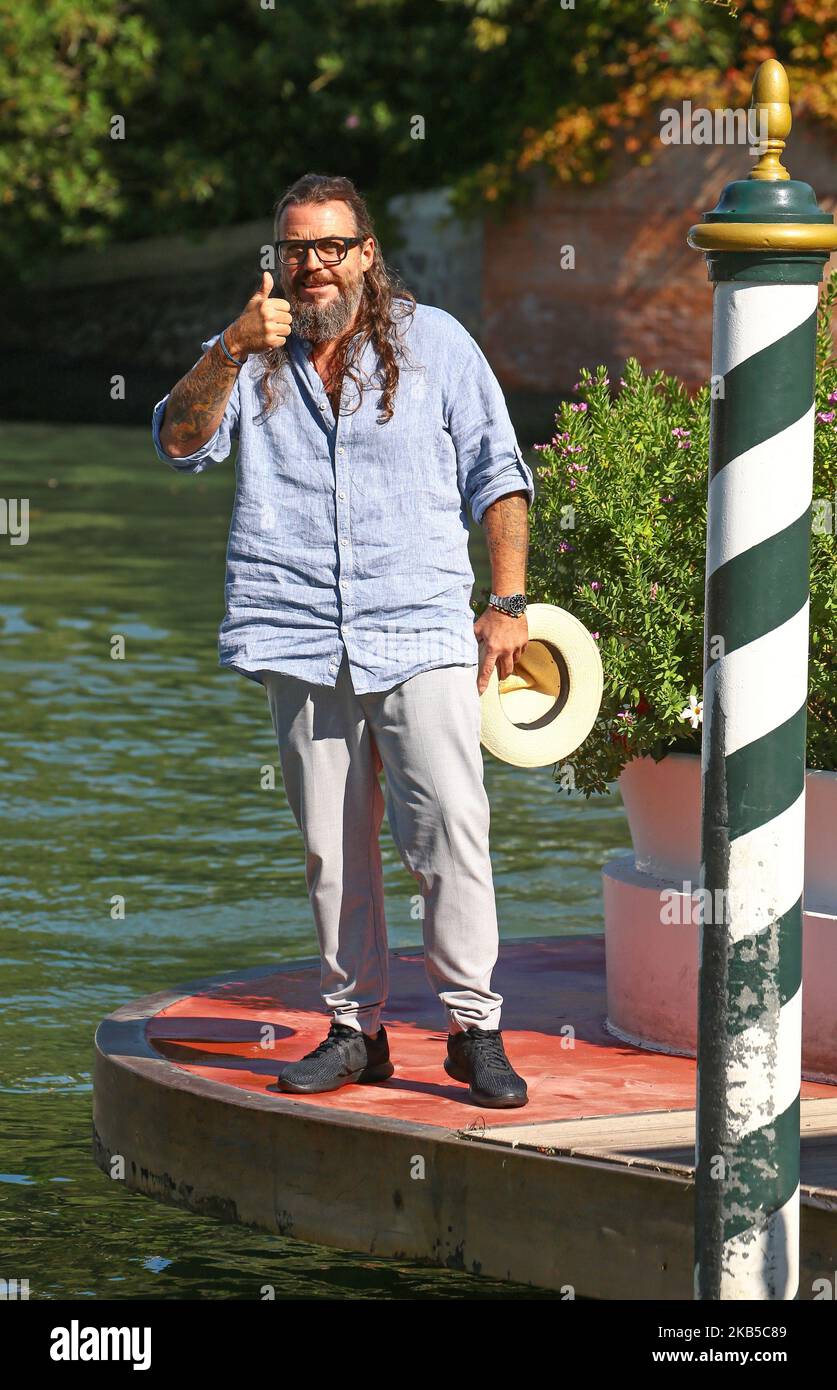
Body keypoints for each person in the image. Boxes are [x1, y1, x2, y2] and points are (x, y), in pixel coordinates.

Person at [151, 173, 535, 1108]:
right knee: (332, 848)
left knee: (448, 831)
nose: (311, 265)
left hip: (421, 625)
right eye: (294, 249)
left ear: (366, 252)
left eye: (330, 246)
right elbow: (177, 440)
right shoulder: (250, 352)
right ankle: (355, 1031)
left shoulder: (436, 342)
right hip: (297, 633)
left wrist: (510, 599)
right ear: (274, 259)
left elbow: (499, 472)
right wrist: (229, 351)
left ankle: (472, 1030)